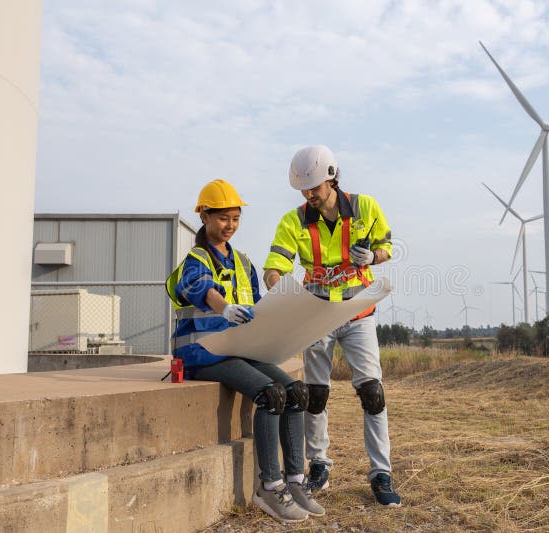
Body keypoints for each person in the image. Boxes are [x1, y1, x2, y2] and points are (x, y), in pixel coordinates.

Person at [165, 179, 325, 523]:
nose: (230, 226)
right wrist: (224, 308)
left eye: (235, 218)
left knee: (296, 391)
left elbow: (257, 306)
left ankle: (296, 481)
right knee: (271, 395)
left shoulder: (243, 261)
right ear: (205, 217)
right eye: (223, 218)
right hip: (202, 354)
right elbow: (202, 290)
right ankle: (270, 485)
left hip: (238, 348)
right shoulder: (195, 259)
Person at [263, 146, 401, 507]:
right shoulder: (294, 221)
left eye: (315, 187)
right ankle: (319, 466)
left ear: (332, 177)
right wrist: (277, 285)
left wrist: (373, 256)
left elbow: (388, 246)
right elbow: (274, 266)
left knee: (372, 392)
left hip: (358, 313)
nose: (310, 195)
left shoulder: (366, 207)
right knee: (315, 395)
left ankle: (381, 473)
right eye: (304, 189)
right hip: (317, 315)